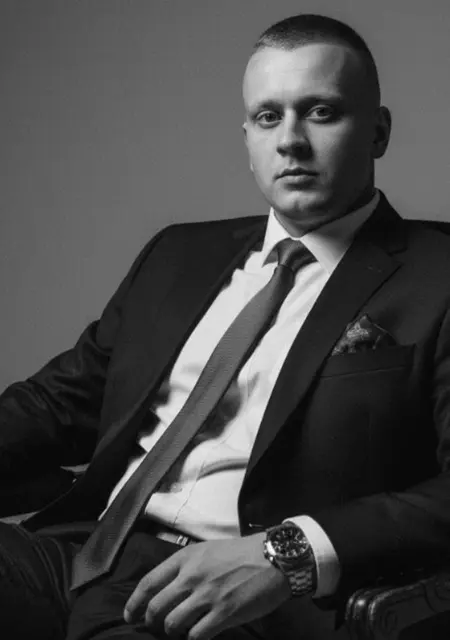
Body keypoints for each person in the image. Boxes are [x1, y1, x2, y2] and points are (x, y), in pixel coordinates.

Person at [1, 12, 450, 640]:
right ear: (247, 136)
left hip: (238, 602)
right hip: (80, 556)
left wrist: (288, 555)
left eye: (321, 112)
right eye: (268, 117)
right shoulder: (177, 255)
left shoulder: (437, 276)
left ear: (378, 131)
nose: (290, 141)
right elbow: (60, 403)